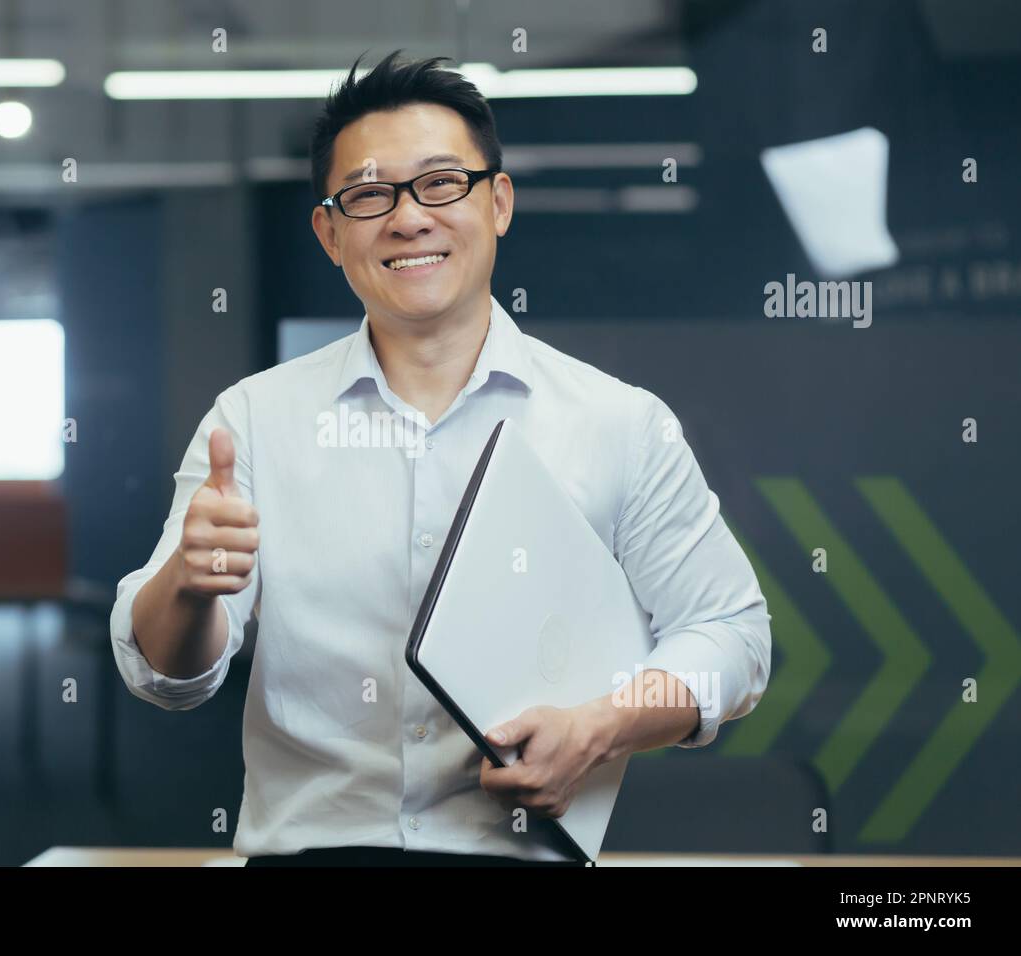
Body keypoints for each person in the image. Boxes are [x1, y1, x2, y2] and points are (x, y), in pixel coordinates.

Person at [109, 50, 771, 867]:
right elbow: (170, 677)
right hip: (314, 859)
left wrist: (601, 727)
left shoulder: (617, 422)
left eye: (440, 183)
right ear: (329, 231)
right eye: (368, 193)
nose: (409, 217)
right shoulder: (252, 421)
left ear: (497, 202)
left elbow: (734, 638)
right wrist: (186, 581)